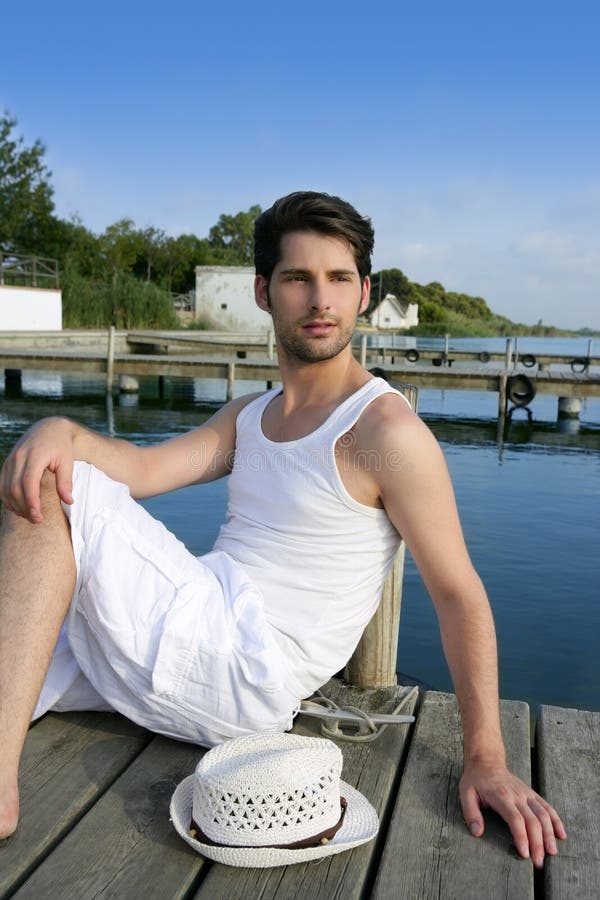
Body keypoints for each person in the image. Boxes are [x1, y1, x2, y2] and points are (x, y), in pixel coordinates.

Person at [0, 191, 565, 865]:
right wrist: (55, 425)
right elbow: (138, 469)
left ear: (362, 293)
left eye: (339, 279)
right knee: (27, 613)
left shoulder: (383, 431)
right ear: (265, 292)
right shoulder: (250, 417)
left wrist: (488, 758)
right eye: (299, 278)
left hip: (243, 663)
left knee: (48, 492)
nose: (320, 300)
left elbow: (459, 594)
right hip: (203, 646)